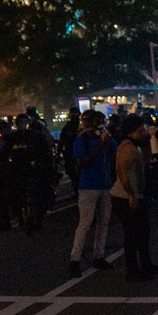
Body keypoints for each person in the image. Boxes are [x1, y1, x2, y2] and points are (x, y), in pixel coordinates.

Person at [111, 114, 158, 280]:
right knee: (132, 234)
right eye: (141, 130)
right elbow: (121, 171)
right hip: (125, 196)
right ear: (132, 132)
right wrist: (131, 195)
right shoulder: (126, 147)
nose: (143, 133)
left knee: (143, 232)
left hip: (136, 194)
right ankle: (132, 270)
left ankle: (146, 265)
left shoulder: (137, 145)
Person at [68, 109, 116, 275]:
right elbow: (81, 162)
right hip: (88, 186)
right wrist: (98, 148)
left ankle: (99, 255)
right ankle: (75, 259)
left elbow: (115, 152)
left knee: (104, 222)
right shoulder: (83, 139)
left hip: (105, 184)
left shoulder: (106, 138)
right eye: (97, 122)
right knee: (85, 223)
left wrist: (107, 140)